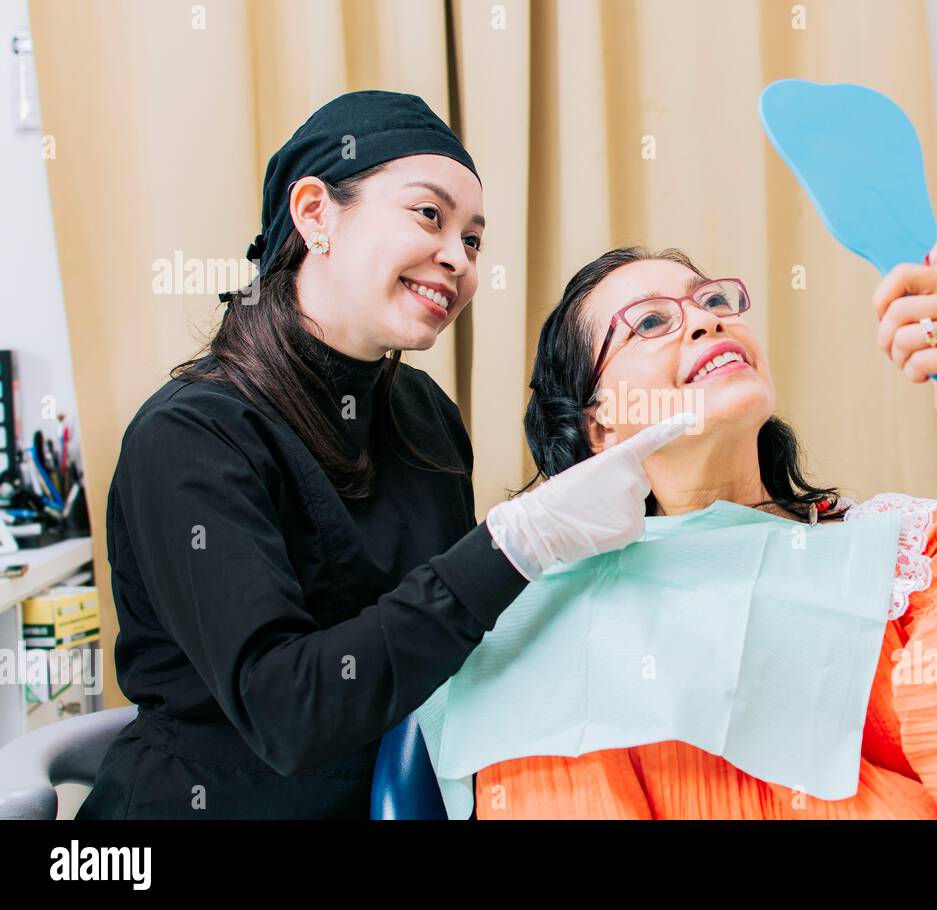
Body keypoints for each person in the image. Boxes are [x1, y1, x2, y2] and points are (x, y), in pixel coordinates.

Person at [76, 92, 689, 819]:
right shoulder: (191, 440)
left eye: (474, 240)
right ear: (315, 214)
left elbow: (437, 652)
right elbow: (290, 713)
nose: (456, 258)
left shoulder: (424, 418)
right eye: (429, 215)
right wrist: (514, 542)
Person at [473, 244, 937, 818]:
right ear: (599, 422)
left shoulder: (898, 552)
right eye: (651, 322)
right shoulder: (564, 633)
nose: (707, 323)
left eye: (712, 303)